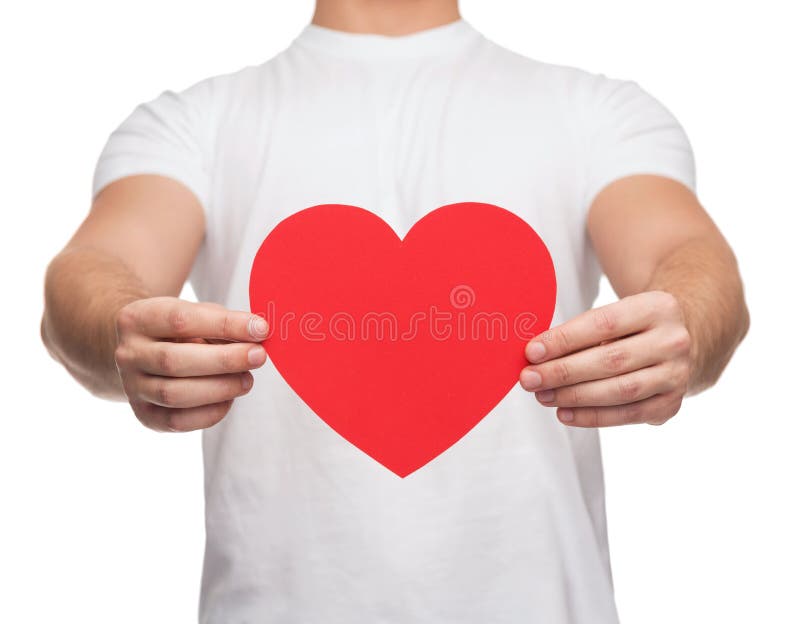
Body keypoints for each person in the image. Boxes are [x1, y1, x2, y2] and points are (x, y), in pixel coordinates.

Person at [40, 0, 749, 621]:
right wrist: (120, 326)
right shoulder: (191, 122)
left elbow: (684, 254)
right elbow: (96, 268)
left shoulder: (598, 111)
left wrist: (683, 319)